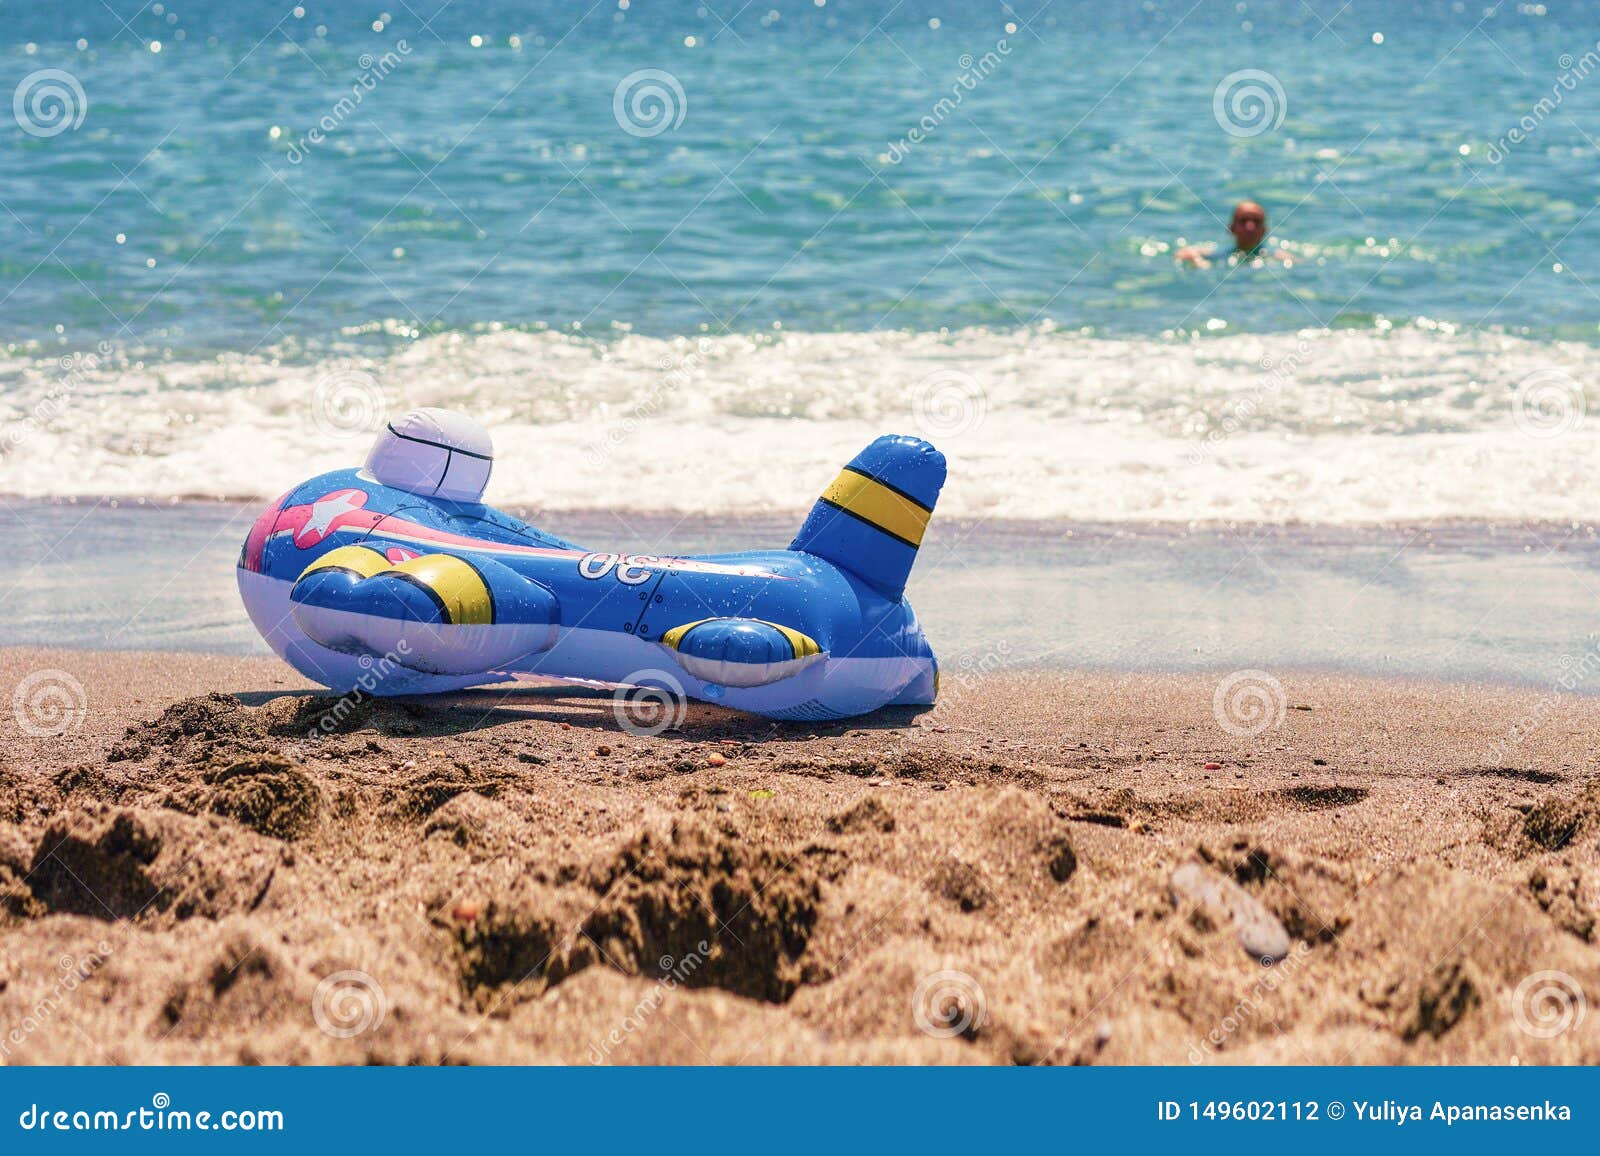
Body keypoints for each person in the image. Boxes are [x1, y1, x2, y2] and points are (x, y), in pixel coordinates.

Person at [1175, 200, 1288, 267]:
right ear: (1231, 228)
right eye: (1243, 221)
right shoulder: (1221, 254)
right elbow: (1182, 253)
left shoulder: (1278, 257)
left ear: (1264, 230)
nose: (1250, 227)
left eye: (1256, 221)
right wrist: (1199, 263)